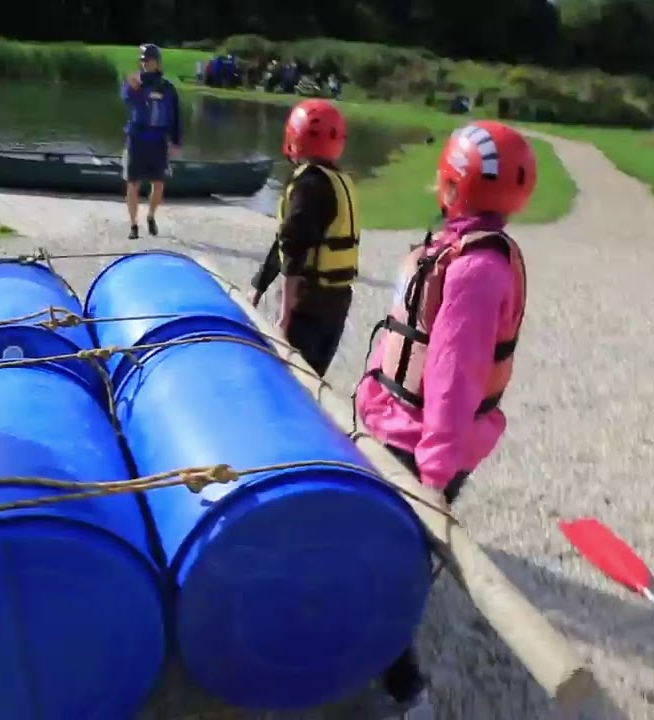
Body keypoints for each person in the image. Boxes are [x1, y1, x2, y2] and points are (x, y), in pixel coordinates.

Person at [354, 120, 536, 718]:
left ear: (455, 185)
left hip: (417, 448)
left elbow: (454, 381)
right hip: (389, 425)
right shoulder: (462, 248)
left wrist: (432, 476)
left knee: (384, 566)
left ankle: (407, 690)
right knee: (372, 548)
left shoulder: (476, 272)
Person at [248, 99, 358, 378]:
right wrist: (258, 286)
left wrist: (284, 319)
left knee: (288, 379)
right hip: (337, 303)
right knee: (310, 381)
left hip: (308, 305)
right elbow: (287, 242)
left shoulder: (309, 185)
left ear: (294, 137)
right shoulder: (338, 180)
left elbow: (294, 252)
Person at [121, 43, 182, 239]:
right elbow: (126, 99)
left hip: (158, 141)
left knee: (159, 184)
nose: (144, 64)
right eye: (142, 61)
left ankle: (151, 216)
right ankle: (133, 224)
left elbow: (176, 116)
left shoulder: (168, 88)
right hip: (137, 140)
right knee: (133, 183)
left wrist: (176, 141)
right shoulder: (135, 84)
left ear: (156, 62)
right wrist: (133, 89)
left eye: (148, 60)